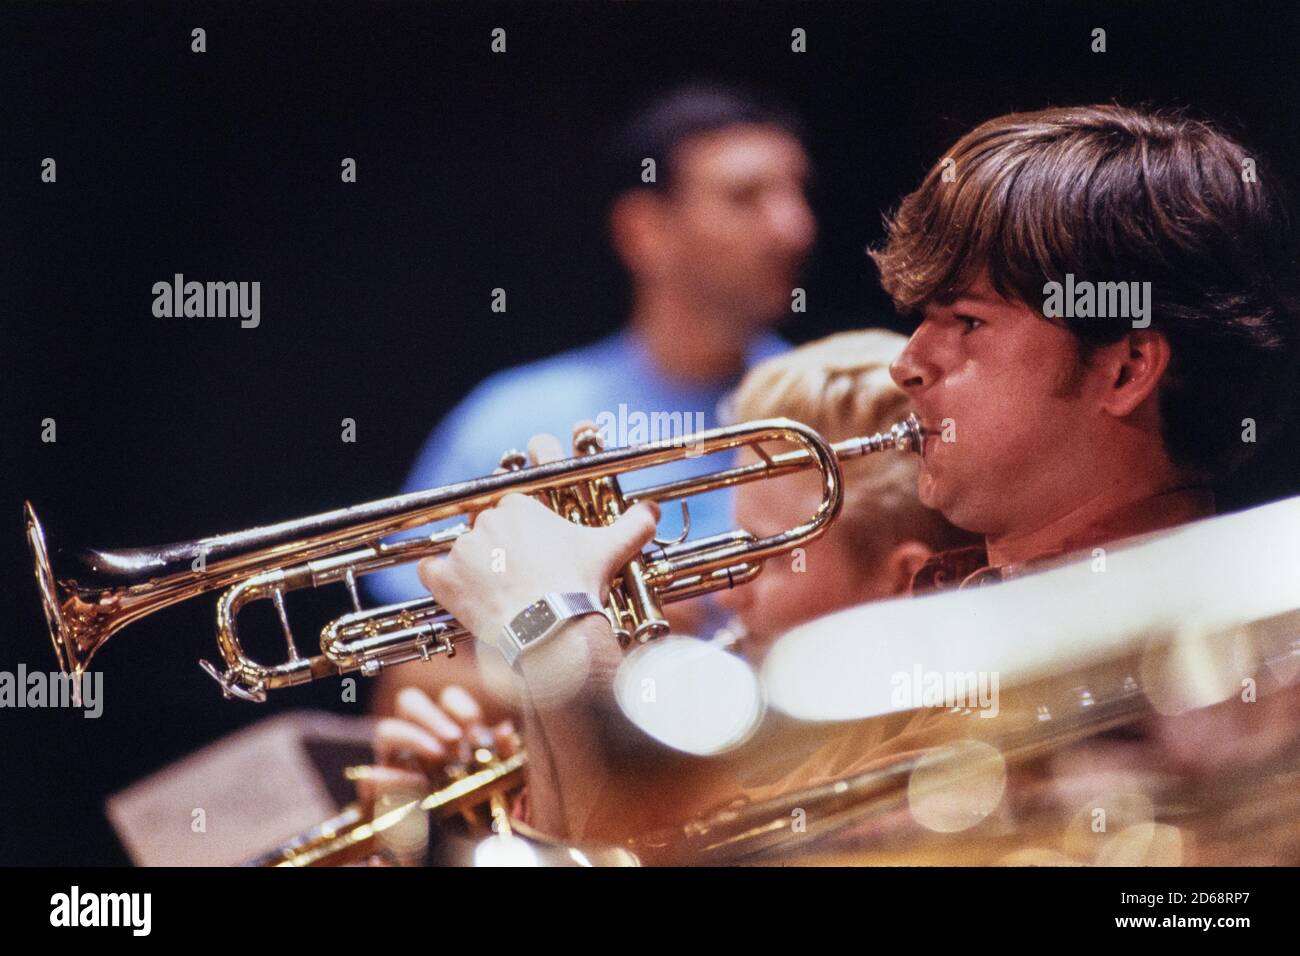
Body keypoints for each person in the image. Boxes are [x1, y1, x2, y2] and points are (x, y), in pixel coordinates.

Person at [409, 104, 1300, 843]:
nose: (908, 363)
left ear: (1124, 368)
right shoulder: (935, 619)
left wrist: (551, 623)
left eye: (967, 324)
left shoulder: (1181, 685)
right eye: (920, 321)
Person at [361, 330, 970, 808]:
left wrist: (553, 622)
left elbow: (624, 834)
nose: (726, 598)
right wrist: (456, 826)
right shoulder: (740, 748)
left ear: (903, 582)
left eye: (772, 555)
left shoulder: (907, 782)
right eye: (738, 547)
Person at [364, 81, 817, 717]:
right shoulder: (507, 421)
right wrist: (581, 655)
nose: (794, 227)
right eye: (746, 198)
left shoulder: (833, 404)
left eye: (797, 192)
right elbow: (402, 679)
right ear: (643, 232)